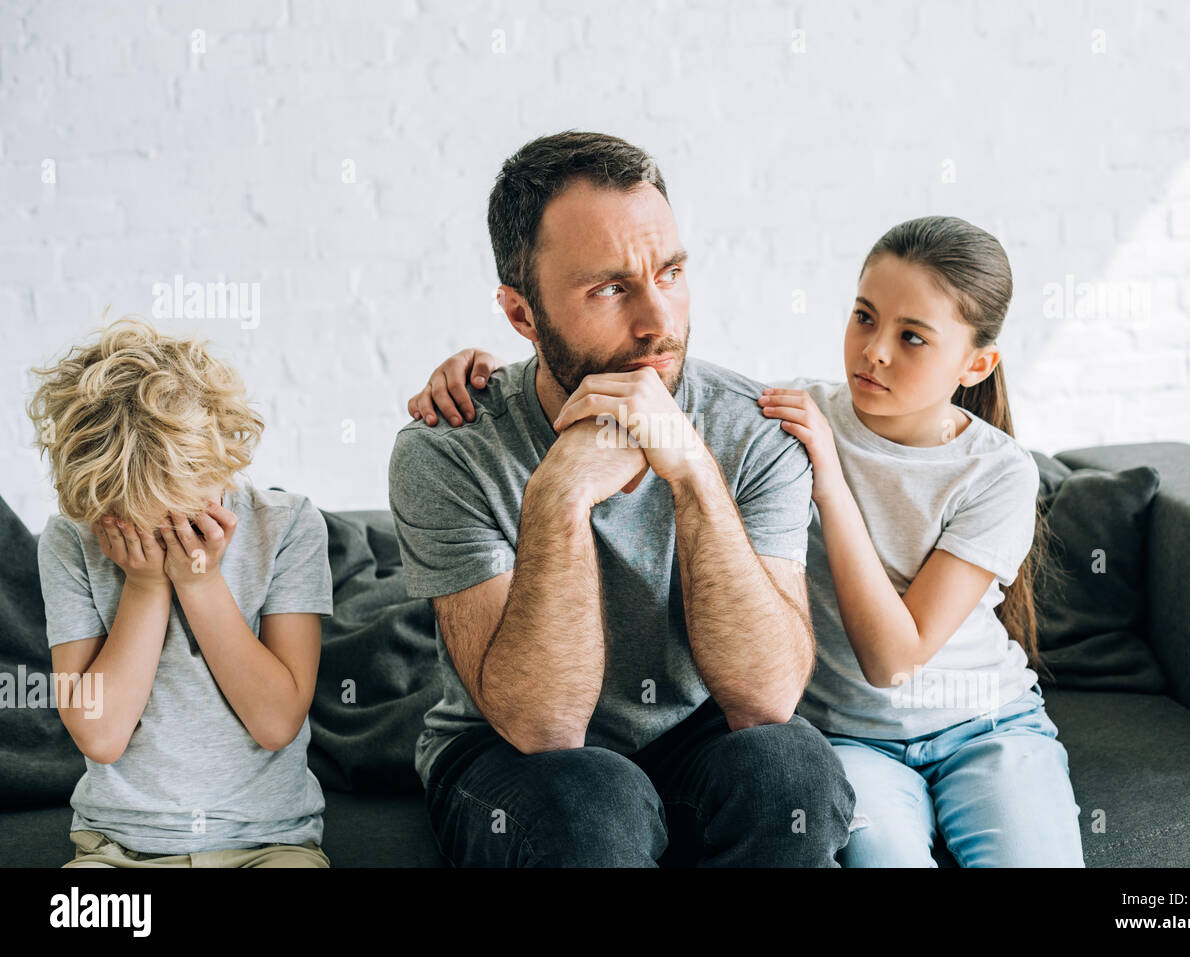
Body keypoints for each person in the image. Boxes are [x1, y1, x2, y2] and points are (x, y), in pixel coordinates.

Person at [412, 215, 1086, 868]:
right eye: (863, 316)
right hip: (854, 735)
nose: (875, 351)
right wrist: (485, 372)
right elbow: (573, 375)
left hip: (978, 720)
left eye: (913, 337)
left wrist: (810, 479)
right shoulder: (793, 410)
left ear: (977, 363)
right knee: (882, 854)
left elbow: (890, 660)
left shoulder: (979, 468)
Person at [389, 130, 853, 867]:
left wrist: (697, 474)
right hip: (510, 753)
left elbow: (766, 699)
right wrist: (557, 497)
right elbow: (541, 726)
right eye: (609, 288)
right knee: (593, 804)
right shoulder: (448, 449)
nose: (657, 322)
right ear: (521, 315)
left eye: (669, 273)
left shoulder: (754, 430)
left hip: (696, 734)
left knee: (792, 773)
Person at [29, 318, 333, 868]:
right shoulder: (70, 541)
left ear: (225, 455)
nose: (162, 533)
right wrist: (145, 587)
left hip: (268, 844)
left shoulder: (288, 527)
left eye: (181, 511)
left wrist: (198, 580)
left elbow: (276, 723)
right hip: (117, 849)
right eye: (136, 520)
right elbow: (99, 736)